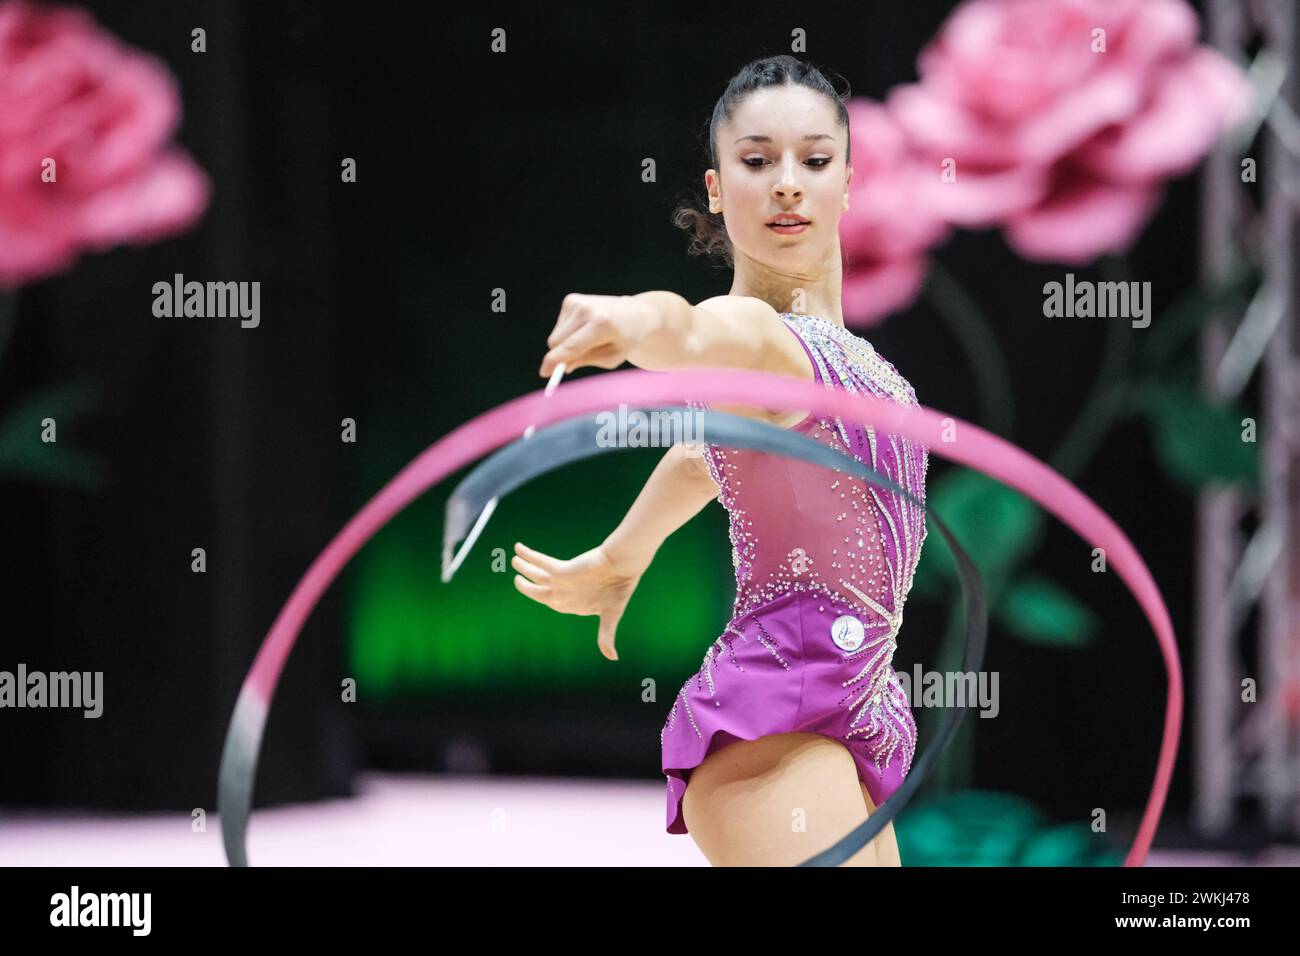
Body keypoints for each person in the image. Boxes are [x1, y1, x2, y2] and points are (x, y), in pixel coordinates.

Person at [511, 55, 928, 866]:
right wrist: (635, 321)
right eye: (756, 160)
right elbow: (696, 331)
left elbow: (704, 458)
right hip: (774, 725)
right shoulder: (764, 339)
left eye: (813, 160)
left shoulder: (845, 358)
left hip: (853, 713)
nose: (786, 184)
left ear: (849, 182)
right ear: (714, 188)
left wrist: (621, 557)